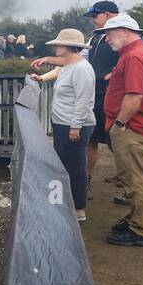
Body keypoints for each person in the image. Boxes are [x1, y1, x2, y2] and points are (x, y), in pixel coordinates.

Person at [33, 0, 120, 199]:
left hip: (109, 98)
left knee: (117, 142)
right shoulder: (96, 39)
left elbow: (79, 77)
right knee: (91, 144)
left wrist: (117, 73)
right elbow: (71, 61)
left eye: (95, 16)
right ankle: (83, 184)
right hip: (95, 98)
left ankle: (129, 186)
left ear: (106, 15)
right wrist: (46, 68)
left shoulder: (121, 38)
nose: (93, 21)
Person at [102, 13, 143, 247]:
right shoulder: (138, 53)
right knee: (133, 177)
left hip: (130, 129)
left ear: (125, 31)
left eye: (109, 33)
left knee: (134, 179)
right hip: (133, 127)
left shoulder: (135, 56)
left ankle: (142, 231)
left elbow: (135, 96)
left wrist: (118, 124)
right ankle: (137, 219)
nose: (106, 39)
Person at [30, 29, 95, 221]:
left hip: (73, 126)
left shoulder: (81, 69)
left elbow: (83, 101)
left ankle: (78, 209)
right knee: (64, 164)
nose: (56, 47)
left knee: (75, 166)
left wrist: (76, 126)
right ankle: (65, 203)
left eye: (58, 44)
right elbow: (59, 66)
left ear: (67, 46)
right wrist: (42, 75)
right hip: (63, 123)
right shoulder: (69, 65)